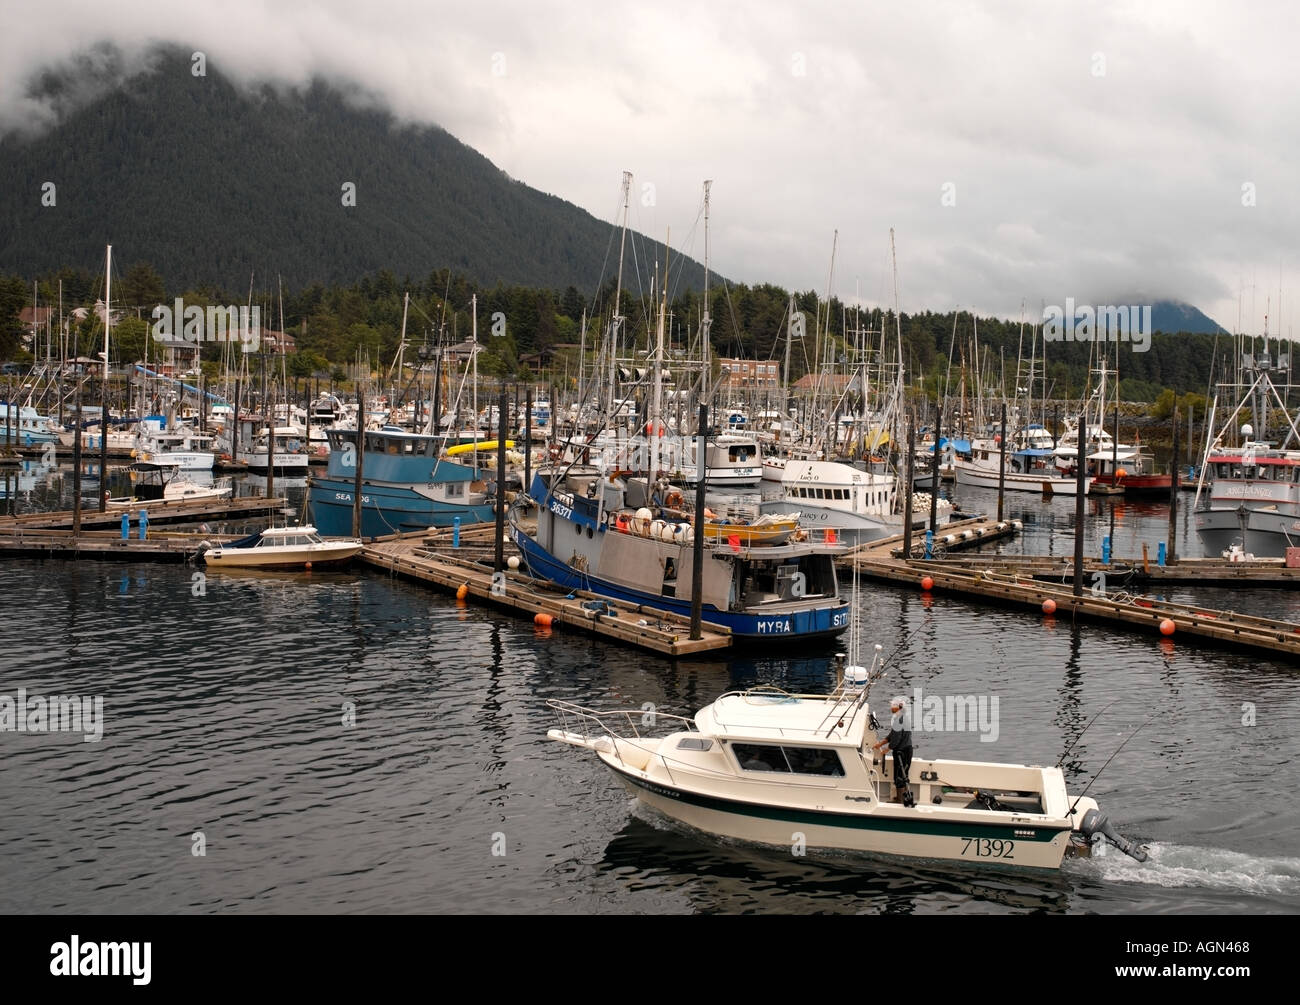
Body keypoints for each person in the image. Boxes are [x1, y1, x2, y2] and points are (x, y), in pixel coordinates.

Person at [872, 696, 914, 806]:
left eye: (892, 706)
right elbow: (893, 735)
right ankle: (901, 797)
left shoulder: (898, 719)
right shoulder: (903, 717)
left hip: (901, 752)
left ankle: (899, 800)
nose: (891, 708)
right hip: (907, 750)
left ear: (898, 708)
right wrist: (880, 744)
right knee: (903, 774)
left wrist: (886, 750)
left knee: (900, 776)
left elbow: (896, 739)